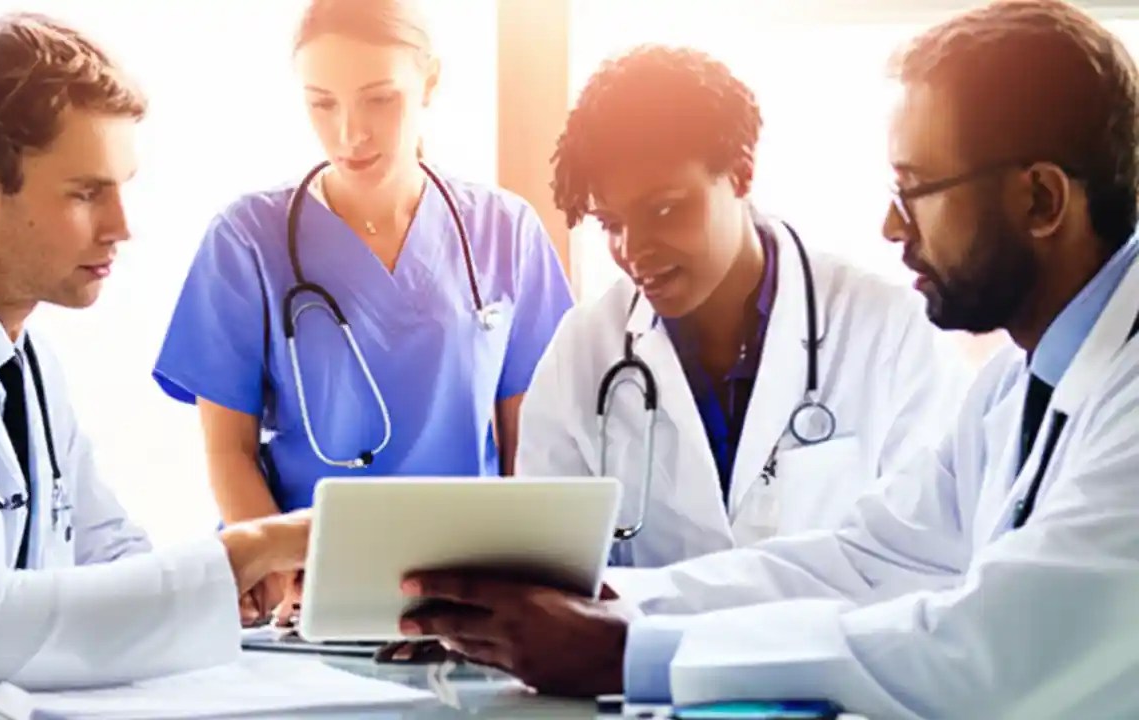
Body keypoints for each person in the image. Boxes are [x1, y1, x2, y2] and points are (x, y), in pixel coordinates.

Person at [399, 1, 1139, 716]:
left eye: (915, 190)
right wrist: (599, 607)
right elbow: (866, 561)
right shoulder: (1016, 384)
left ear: (1040, 201)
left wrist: (631, 653)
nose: (891, 226)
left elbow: (992, 656)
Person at [0, 15, 312, 718]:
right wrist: (244, 552)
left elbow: (109, 554)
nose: (121, 226)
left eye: (122, 187)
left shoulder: (22, 354)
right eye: (85, 193)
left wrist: (226, 587)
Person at [150, 0, 572, 579]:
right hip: (304, 576)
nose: (349, 133)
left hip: (466, 573)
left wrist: (521, 575)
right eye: (322, 103)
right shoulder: (247, 239)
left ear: (430, 83)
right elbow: (229, 451)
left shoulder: (505, 230)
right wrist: (287, 580)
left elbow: (530, 444)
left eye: (380, 99)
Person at [515, 45, 970, 568]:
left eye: (663, 210)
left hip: (842, 627)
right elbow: (548, 567)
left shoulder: (888, 329)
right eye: (611, 224)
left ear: (741, 173)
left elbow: (928, 557)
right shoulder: (583, 351)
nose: (633, 250)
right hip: (635, 628)